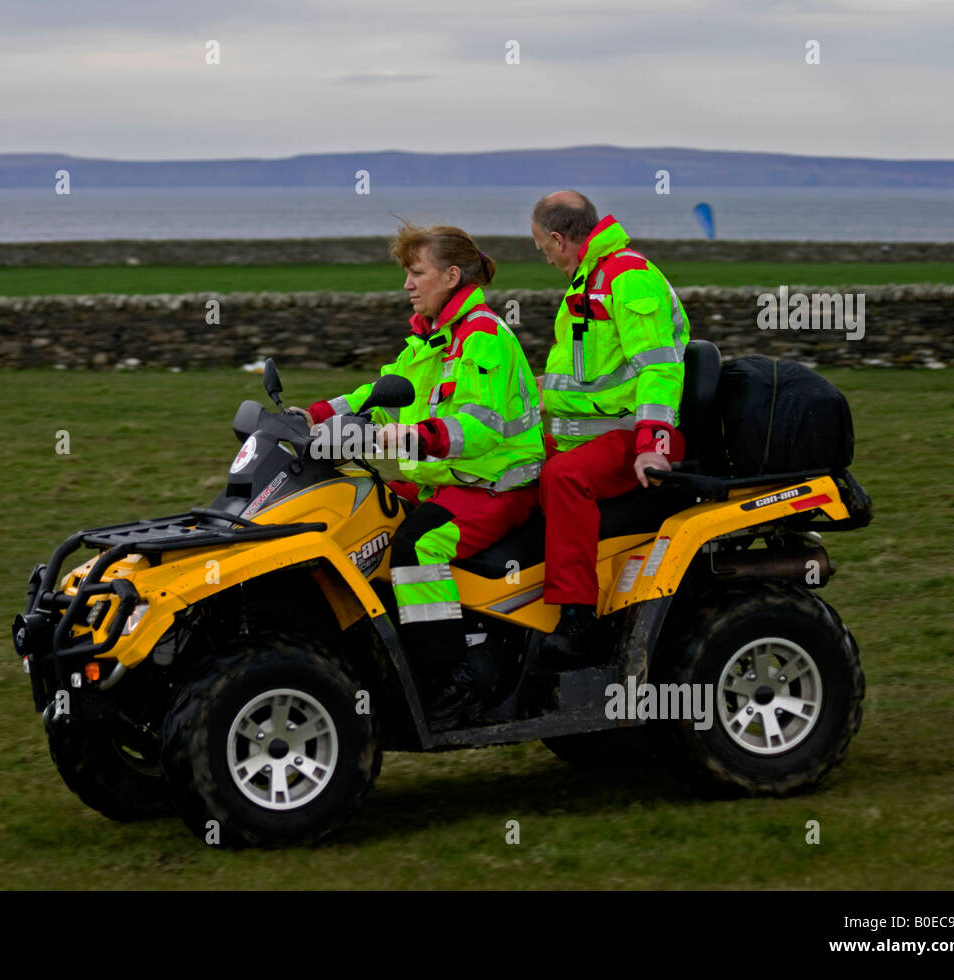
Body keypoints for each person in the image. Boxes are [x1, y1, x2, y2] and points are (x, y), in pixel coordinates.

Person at [289, 224, 545, 729]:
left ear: (451, 276)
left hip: (496, 486)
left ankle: (451, 683)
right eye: (406, 272)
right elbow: (378, 396)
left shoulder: (484, 338)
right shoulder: (428, 342)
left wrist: (402, 439)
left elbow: (480, 427)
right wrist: (313, 416)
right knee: (360, 506)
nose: (407, 283)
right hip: (450, 482)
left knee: (416, 545)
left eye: (416, 272)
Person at [530, 191, 690, 660]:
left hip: (632, 437)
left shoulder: (628, 278)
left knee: (564, 478)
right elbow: (589, 377)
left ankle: (578, 618)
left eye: (543, 249)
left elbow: (660, 368)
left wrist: (652, 444)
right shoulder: (590, 280)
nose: (545, 259)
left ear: (559, 240)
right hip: (593, 432)